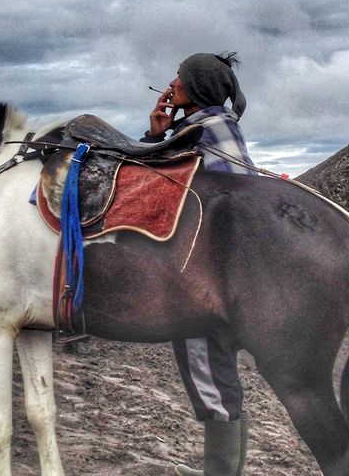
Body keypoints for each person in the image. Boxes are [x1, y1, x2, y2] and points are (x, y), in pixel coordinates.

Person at [142, 52, 254, 476]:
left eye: (180, 77)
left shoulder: (205, 131)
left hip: (210, 278)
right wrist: (159, 133)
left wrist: (158, 140)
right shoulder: (203, 128)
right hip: (222, 276)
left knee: (210, 380)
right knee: (221, 383)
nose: (171, 82)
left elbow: (231, 197)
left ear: (197, 87)